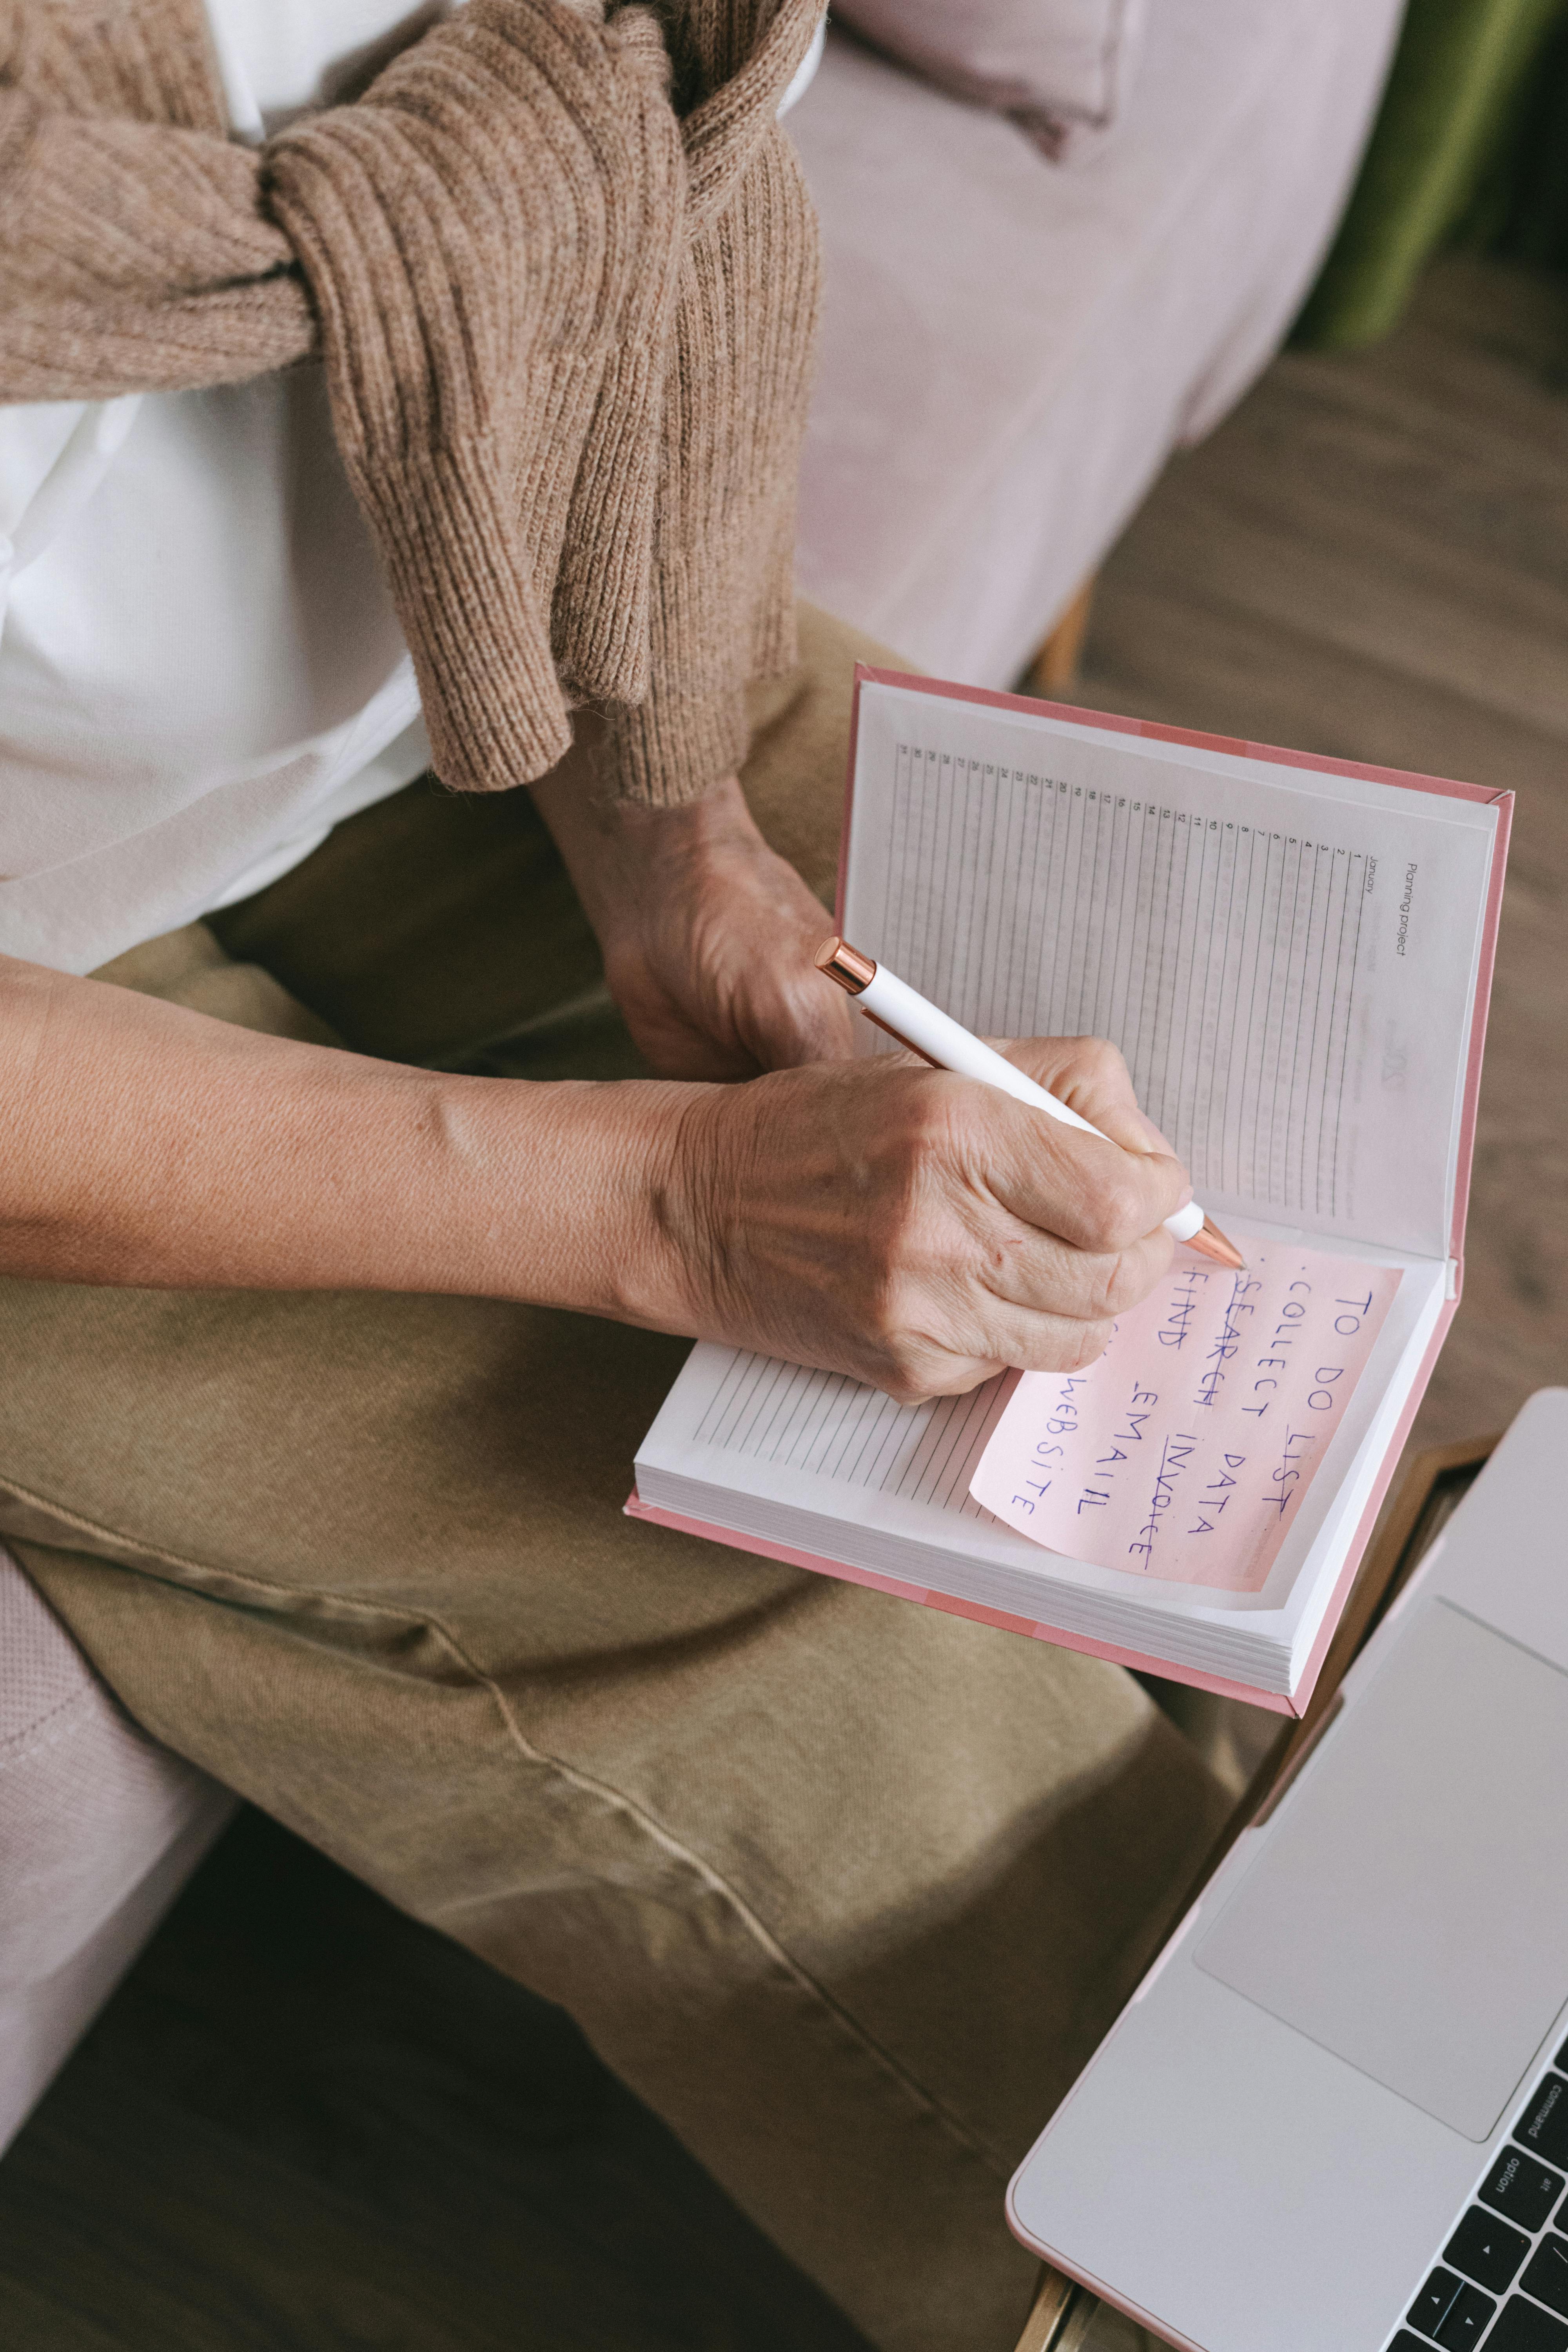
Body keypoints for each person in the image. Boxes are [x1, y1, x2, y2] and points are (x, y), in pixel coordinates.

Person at [0, 4, 1228, 2347]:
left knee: (1135, 1102)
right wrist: (656, 1208)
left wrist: (681, 833)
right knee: (740, 1581)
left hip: (468, 674)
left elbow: (609, 149)